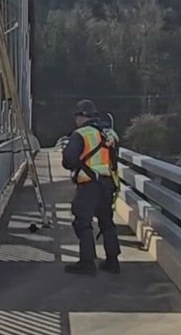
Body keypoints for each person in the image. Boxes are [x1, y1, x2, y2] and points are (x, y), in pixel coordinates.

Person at [61, 99, 121, 275]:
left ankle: (87, 263)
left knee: (83, 221)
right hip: (108, 183)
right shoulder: (110, 134)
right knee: (107, 222)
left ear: (82, 117)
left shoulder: (81, 134)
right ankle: (112, 261)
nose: (75, 121)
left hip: (89, 184)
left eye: (76, 117)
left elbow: (68, 161)